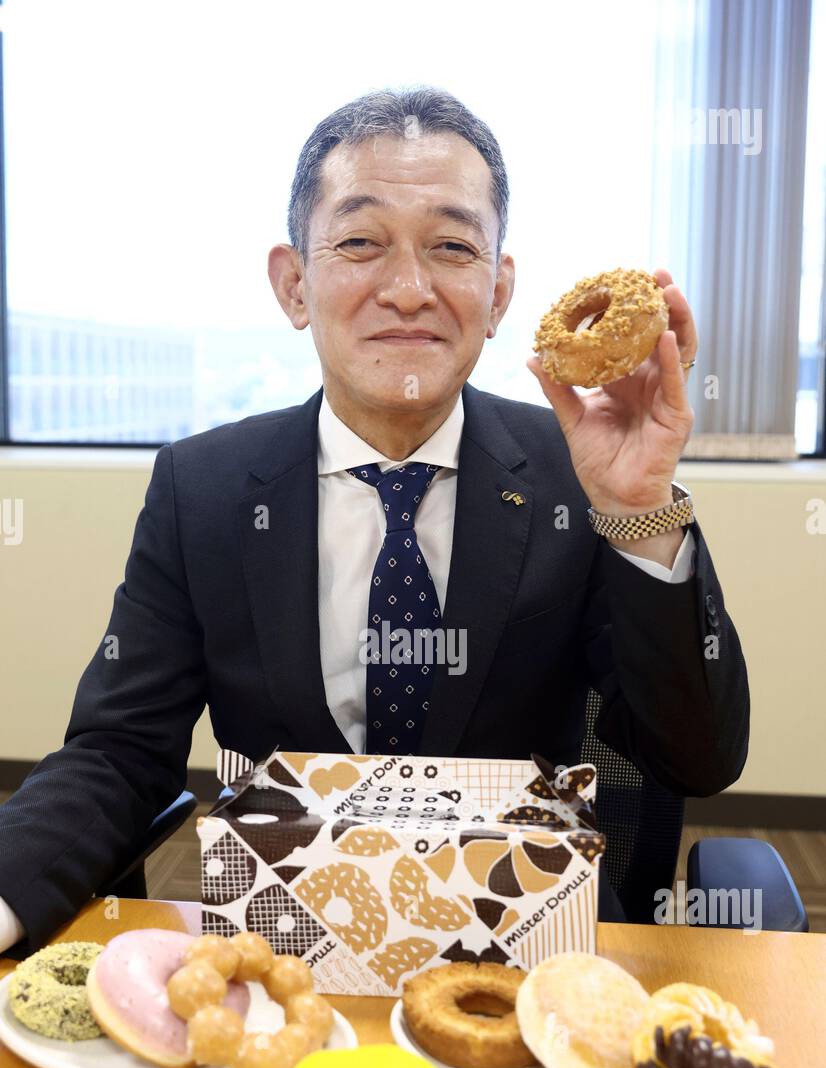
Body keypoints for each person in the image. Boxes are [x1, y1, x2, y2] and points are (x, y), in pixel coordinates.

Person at [0, 86, 749, 956]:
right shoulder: (202, 488)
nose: (408, 290)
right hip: (286, 949)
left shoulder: (573, 473)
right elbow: (117, 753)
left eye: (452, 247)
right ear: (294, 284)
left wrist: (638, 510)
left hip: (526, 940)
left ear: (498, 293)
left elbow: (697, 759)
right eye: (360, 243)